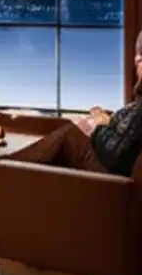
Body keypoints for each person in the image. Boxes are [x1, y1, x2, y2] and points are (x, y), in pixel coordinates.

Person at [10, 32, 142, 177]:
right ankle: (7, 168)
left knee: (72, 135)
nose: (137, 68)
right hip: (118, 158)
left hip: (116, 179)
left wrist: (100, 126)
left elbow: (115, 156)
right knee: (81, 127)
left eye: (138, 61)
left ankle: (4, 169)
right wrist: (109, 121)